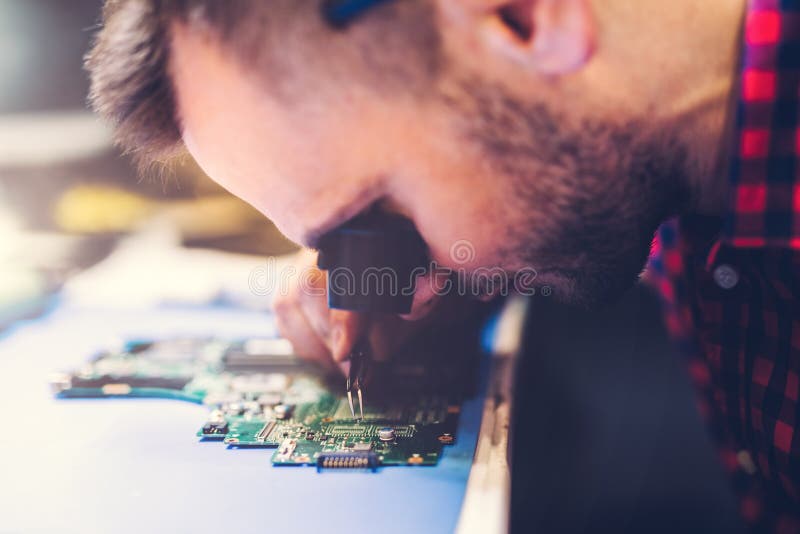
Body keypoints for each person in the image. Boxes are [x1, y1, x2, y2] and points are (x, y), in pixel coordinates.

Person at [85, 0, 799, 531]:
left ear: (521, 18)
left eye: (383, 213)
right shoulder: (671, 156)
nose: (398, 284)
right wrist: (450, 282)